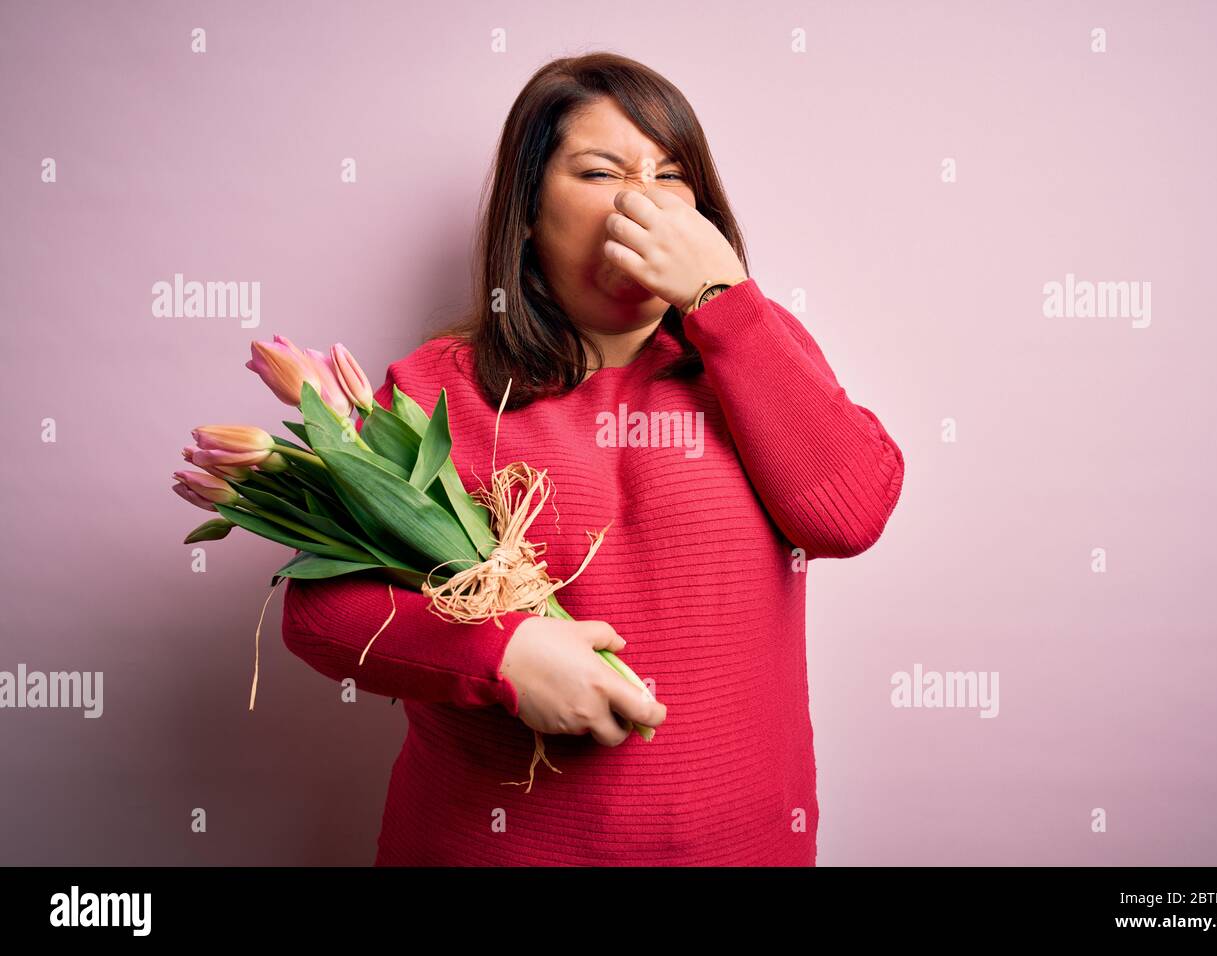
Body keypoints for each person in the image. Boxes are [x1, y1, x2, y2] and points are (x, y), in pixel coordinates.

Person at [280, 51, 904, 866]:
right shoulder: (441, 389)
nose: (643, 199)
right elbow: (318, 613)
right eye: (603, 171)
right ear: (529, 212)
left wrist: (723, 300)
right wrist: (498, 653)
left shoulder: (758, 352)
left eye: (671, 175)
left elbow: (849, 516)